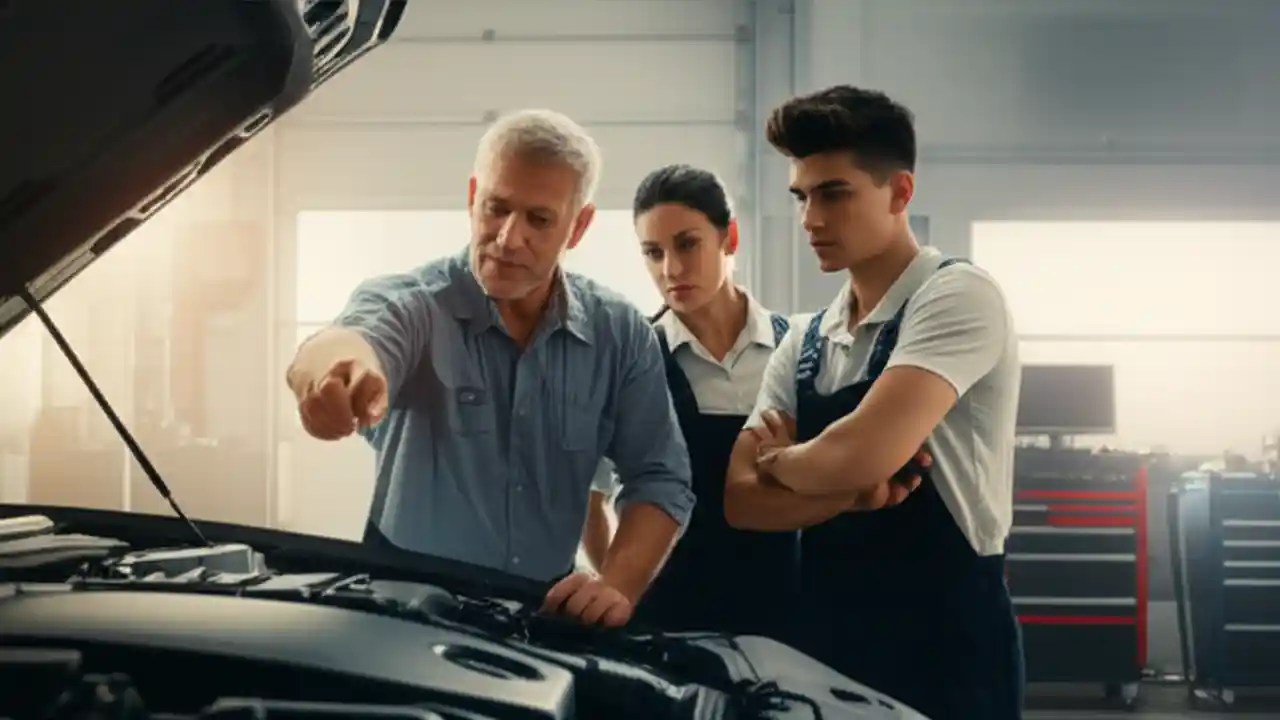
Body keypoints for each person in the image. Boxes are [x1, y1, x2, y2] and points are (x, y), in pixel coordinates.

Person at [286, 108, 695, 629]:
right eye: (496, 209)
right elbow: (340, 343)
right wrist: (331, 377)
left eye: (538, 219)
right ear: (472, 196)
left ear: (579, 226)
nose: (507, 238)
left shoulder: (621, 334)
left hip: (544, 619)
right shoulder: (415, 304)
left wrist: (618, 586)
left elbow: (660, 477)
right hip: (401, 613)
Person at [724, 85, 1024, 718]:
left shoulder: (957, 296)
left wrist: (781, 463)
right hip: (826, 643)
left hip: (946, 645)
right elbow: (740, 502)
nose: (810, 219)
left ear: (901, 193)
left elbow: (860, 454)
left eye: (835, 194)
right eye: (802, 197)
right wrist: (847, 491)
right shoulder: (804, 337)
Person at [582, 164, 800, 639]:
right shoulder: (630, 363)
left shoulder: (798, 349)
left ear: (730, 238)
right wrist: (625, 591)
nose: (671, 270)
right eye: (653, 252)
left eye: (687, 244)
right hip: (669, 627)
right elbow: (590, 499)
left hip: (790, 621)